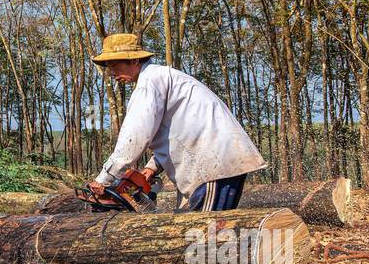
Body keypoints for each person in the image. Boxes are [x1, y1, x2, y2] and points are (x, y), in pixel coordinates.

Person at [84, 33, 266, 212]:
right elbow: (176, 133)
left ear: (134, 61)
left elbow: (134, 137)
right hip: (212, 161)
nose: (112, 72)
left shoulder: (149, 83)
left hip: (213, 162)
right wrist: (151, 169)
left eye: (115, 65)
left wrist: (103, 180)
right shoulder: (159, 79)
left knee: (206, 232)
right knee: (192, 228)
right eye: (109, 67)